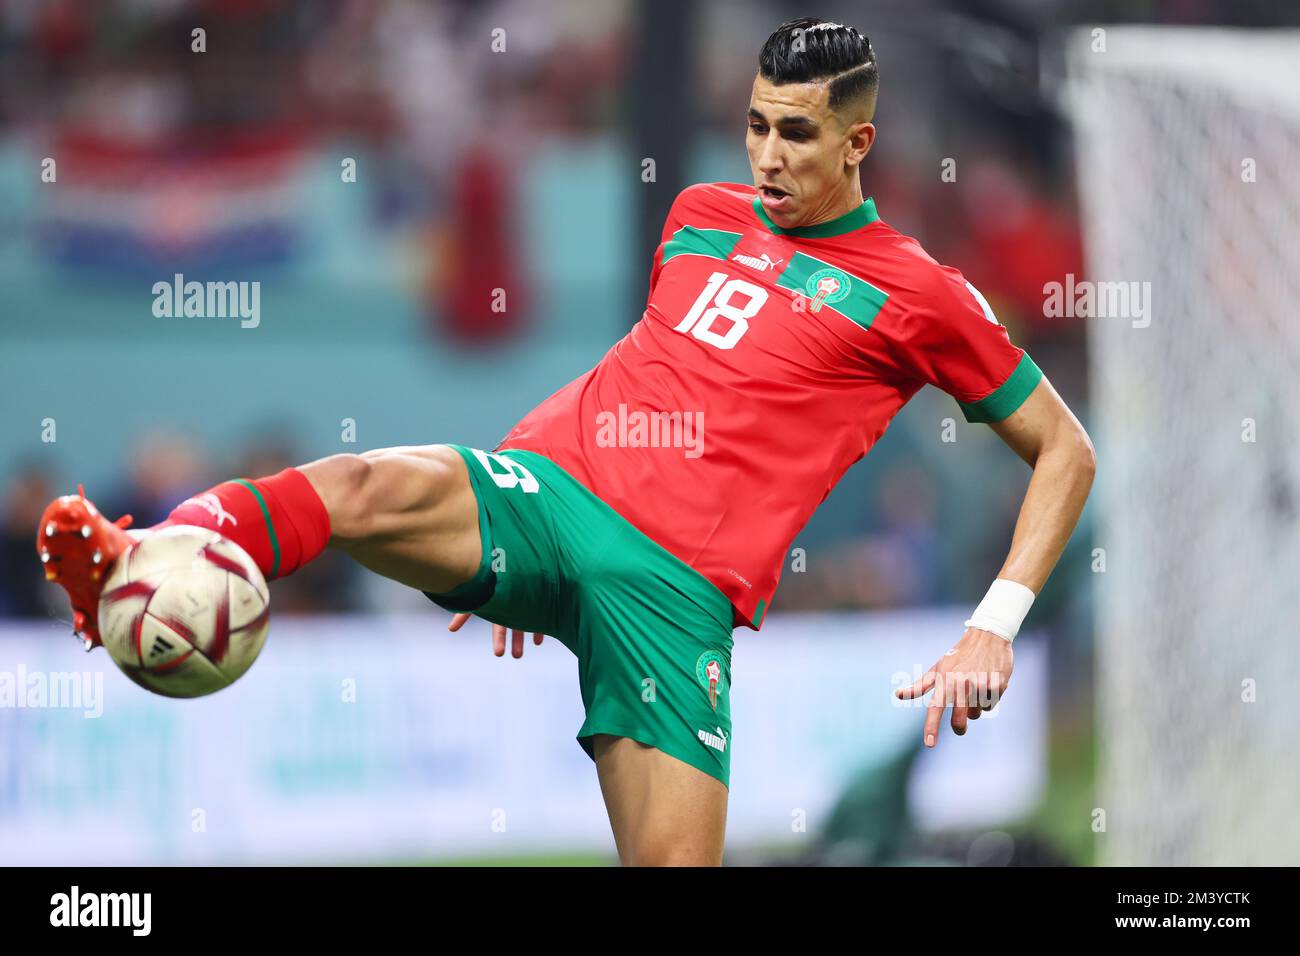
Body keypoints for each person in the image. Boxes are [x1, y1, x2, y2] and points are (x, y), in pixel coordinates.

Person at [35, 18, 1094, 866]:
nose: (768, 154)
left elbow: (1064, 450)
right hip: (548, 494)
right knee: (354, 481)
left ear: (857, 143)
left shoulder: (921, 294)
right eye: (758, 124)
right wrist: (520, 499)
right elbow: (643, 362)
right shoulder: (701, 211)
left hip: (669, 587)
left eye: (798, 134)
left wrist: (991, 624)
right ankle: (148, 553)